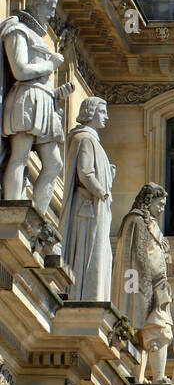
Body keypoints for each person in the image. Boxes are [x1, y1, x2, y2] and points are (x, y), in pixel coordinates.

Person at [0, 0, 71, 215]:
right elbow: (20, 70)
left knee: (54, 164)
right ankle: (13, 208)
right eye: (51, 7)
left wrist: (56, 92)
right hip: (26, 100)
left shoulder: (35, 34)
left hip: (43, 100)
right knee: (20, 155)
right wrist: (50, 64)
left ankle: (38, 218)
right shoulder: (17, 31)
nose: (52, 12)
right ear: (38, 4)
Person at [111, 183, 174, 382]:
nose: (162, 209)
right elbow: (138, 254)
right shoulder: (136, 220)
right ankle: (143, 375)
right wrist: (146, 284)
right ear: (149, 200)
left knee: (158, 329)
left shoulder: (150, 223)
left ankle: (145, 375)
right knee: (152, 328)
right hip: (143, 284)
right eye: (160, 203)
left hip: (157, 284)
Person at [58, 97, 114, 302]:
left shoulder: (92, 141)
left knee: (97, 250)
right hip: (88, 209)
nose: (106, 116)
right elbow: (85, 172)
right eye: (102, 111)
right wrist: (102, 191)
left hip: (95, 208)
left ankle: (91, 294)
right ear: (90, 112)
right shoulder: (85, 139)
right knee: (89, 250)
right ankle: (83, 293)